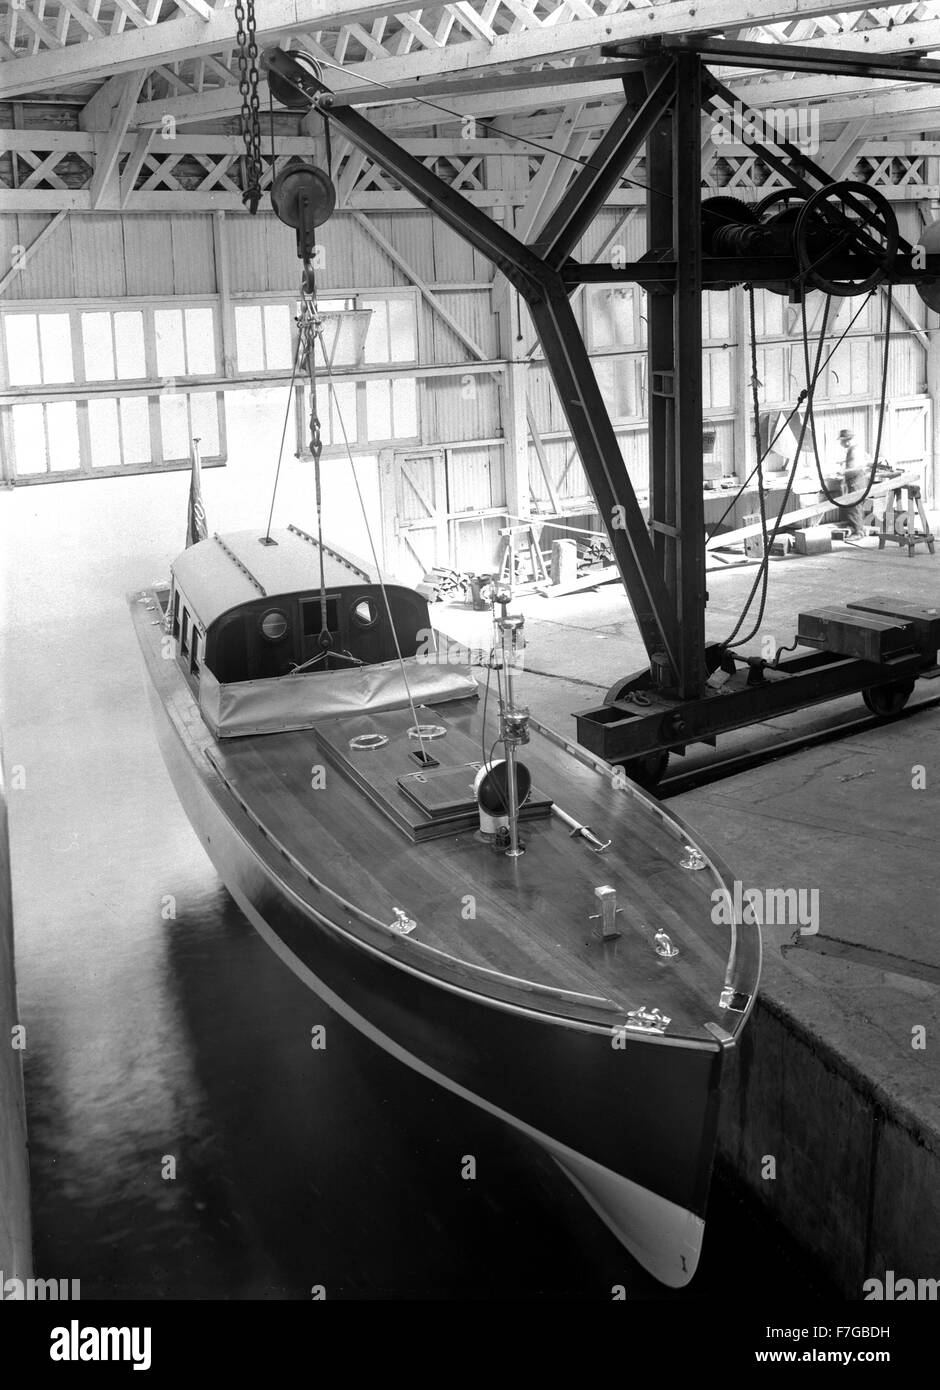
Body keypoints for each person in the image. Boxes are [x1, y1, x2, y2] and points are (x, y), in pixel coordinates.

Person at [835, 429, 869, 538]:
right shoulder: (855, 448)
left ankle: (858, 532)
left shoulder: (853, 450)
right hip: (857, 480)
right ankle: (860, 529)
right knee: (856, 507)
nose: (840, 444)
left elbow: (857, 468)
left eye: (841, 441)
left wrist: (843, 471)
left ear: (846, 440)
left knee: (854, 507)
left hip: (856, 481)